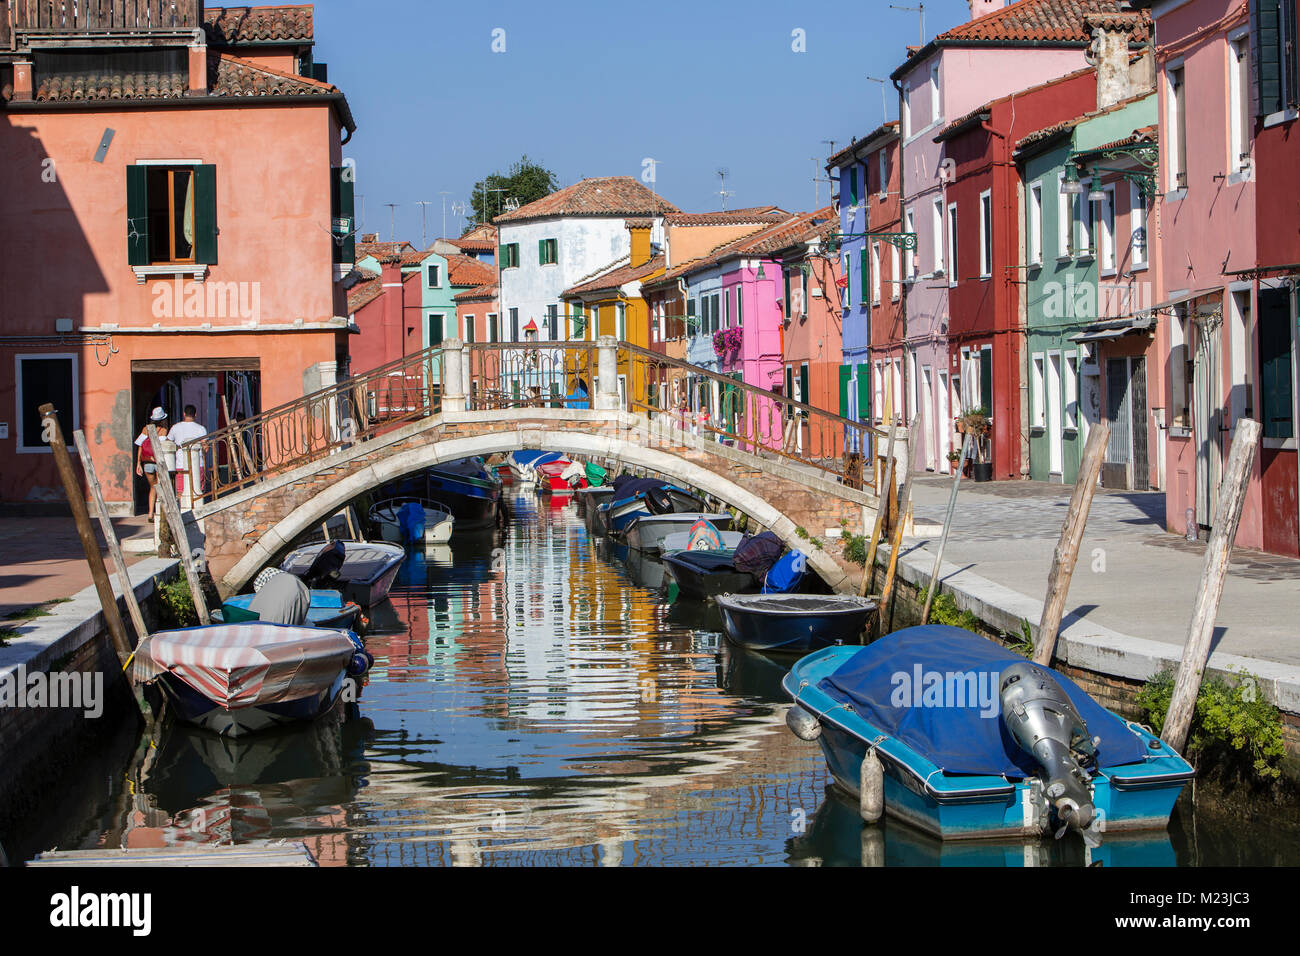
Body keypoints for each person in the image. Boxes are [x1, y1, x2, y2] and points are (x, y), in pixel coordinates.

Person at [167, 404, 208, 501]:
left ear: (184, 414)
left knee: (181, 491)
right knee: (198, 490)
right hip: (198, 464)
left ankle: (183, 512)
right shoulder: (201, 429)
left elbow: (168, 442)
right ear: (195, 414)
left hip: (180, 464)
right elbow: (205, 447)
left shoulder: (175, 428)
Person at [134, 407, 168, 520]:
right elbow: (163, 447)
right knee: (160, 487)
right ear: (163, 419)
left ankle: (150, 513)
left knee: (152, 487)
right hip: (158, 462)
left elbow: (140, 446)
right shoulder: (164, 430)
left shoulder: (145, 429)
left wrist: (138, 463)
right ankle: (158, 512)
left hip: (147, 462)